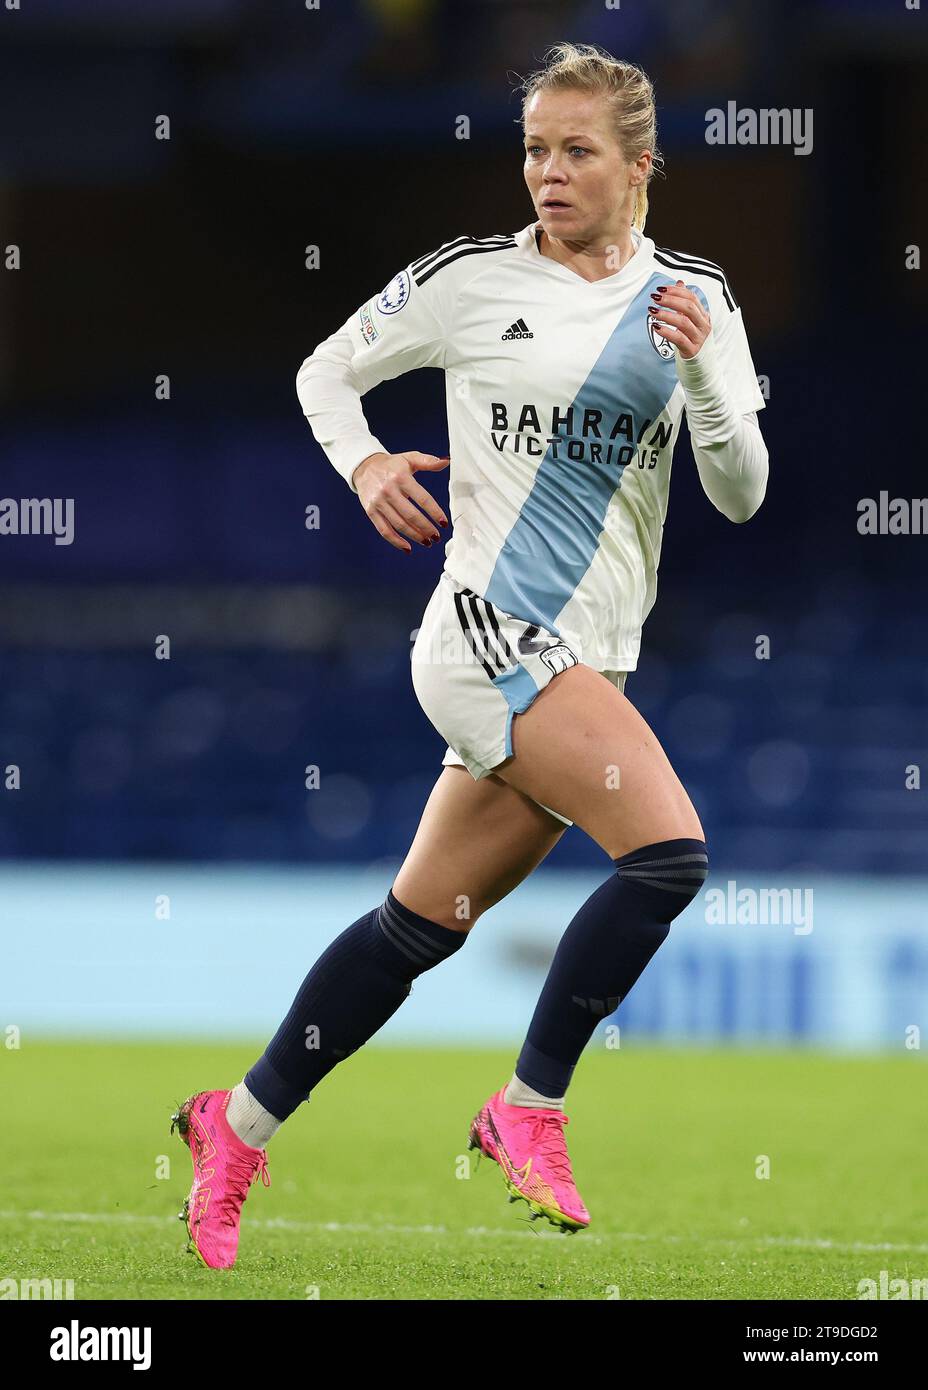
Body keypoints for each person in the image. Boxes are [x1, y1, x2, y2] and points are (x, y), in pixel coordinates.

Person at [171, 41, 768, 1269]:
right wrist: (365, 465)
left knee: (419, 924)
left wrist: (707, 375)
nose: (547, 171)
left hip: (588, 655)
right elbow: (326, 370)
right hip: (488, 631)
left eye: (576, 150)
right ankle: (527, 1108)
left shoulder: (694, 297)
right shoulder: (470, 278)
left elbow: (742, 491)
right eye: (535, 149)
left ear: (640, 165)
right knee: (668, 857)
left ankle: (234, 1124)